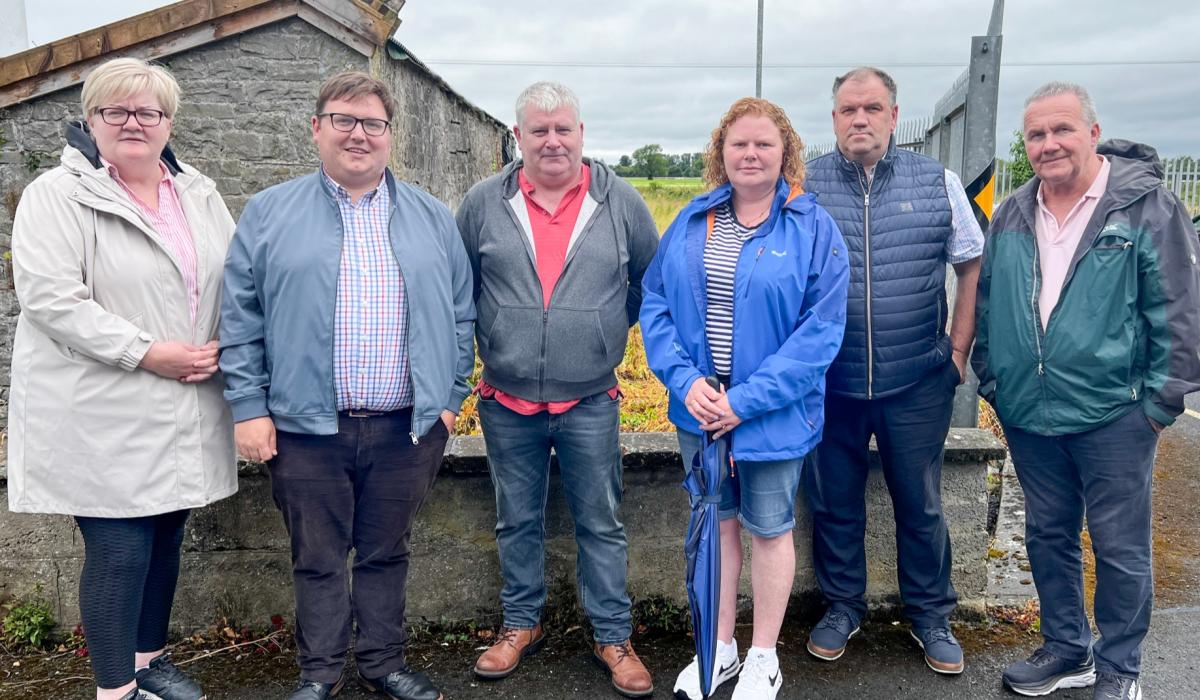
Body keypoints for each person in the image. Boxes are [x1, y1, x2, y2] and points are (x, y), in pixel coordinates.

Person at [220, 71, 474, 700]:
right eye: (344, 120)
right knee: (319, 556)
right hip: (307, 427)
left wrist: (448, 400)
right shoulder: (269, 212)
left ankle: (383, 664)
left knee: (387, 551)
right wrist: (249, 408)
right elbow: (240, 315)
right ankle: (321, 673)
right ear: (318, 128)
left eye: (373, 124)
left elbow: (462, 312)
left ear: (391, 136)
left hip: (405, 427)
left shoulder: (432, 218)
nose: (359, 134)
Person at [7, 57, 236, 700]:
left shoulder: (199, 193)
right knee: (121, 548)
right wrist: (146, 351)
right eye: (117, 110)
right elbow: (52, 300)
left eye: (150, 112)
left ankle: (149, 660)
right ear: (91, 119)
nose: (134, 122)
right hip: (100, 405)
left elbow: (233, 278)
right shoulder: (58, 195)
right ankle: (117, 691)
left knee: (166, 537)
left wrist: (231, 339)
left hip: (186, 399)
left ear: (168, 123)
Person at [973, 82, 1200, 700]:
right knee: (1048, 534)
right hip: (1030, 412)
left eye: (1062, 130)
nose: (1049, 144)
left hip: (1115, 416)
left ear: (1092, 134)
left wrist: (1158, 405)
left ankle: (1121, 666)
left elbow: (1179, 312)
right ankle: (1067, 650)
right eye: (1036, 135)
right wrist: (994, 380)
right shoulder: (1015, 210)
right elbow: (990, 302)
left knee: (1119, 545)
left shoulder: (1146, 207)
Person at [641, 97, 849, 700]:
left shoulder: (812, 227)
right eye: (739, 144)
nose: (751, 154)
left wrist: (746, 401)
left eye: (764, 143)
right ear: (721, 153)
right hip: (701, 410)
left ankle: (763, 656)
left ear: (786, 152)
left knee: (769, 529)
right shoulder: (691, 221)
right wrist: (686, 383)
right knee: (718, 526)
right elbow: (656, 305)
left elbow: (821, 332)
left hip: (773, 414)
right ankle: (721, 648)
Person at [456, 81, 659, 698]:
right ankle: (521, 624)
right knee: (516, 520)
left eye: (562, 128)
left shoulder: (619, 201)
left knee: (601, 522)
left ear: (581, 134)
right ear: (518, 137)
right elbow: (463, 291)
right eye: (538, 130)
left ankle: (612, 635)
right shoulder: (482, 203)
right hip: (506, 400)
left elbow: (648, 284)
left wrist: (598, 333)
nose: (552, 140)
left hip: (590, 399)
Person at [801, 66, 985, 674]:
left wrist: (956, 353)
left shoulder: (938, 181)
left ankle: (931, 615)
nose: (860, 119)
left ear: (893, 116)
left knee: (920, 503)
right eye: (849, 110)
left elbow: (970, 262)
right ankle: (842, 607)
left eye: (873, 109)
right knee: (833, 503)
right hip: (831, 382)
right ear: (834, 119)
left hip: (916, 381)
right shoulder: (803, 186)